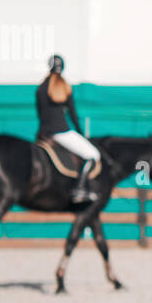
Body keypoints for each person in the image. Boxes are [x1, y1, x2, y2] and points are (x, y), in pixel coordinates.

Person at [35, 55, 101, 204]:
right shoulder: (64, 87)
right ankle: (80, 188)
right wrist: (81, 133)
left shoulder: (41, 88)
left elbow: (40, 114)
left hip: (44, 134)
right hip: (61, 132)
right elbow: (72, 113)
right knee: (93, 154)